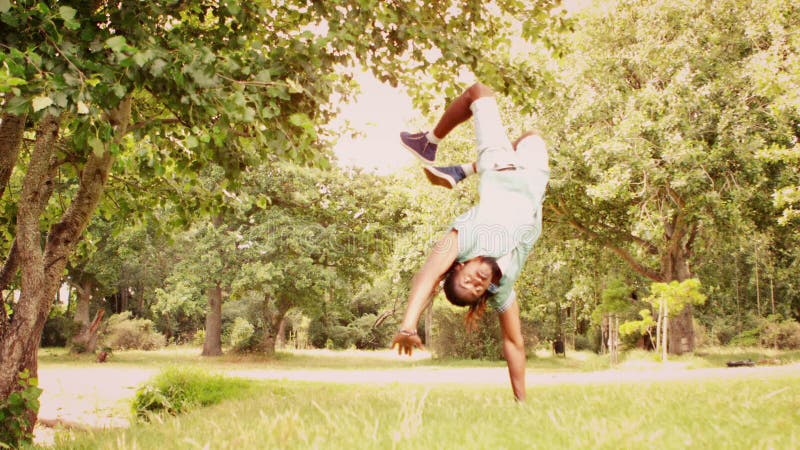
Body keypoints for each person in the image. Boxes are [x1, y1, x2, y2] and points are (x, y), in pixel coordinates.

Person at [391, 82, 550, 401]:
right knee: (531, 138)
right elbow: (514, 343)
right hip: (534, 178)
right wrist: (522, 404)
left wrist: (409, 324)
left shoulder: (467, 237)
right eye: (476, 290)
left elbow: (428, 274)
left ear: (462, 264)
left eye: (467, 279)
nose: (477, 282)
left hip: (499, 168)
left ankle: (429, 143)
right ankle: (461, 170)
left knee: (479, 91)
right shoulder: (501, 287)